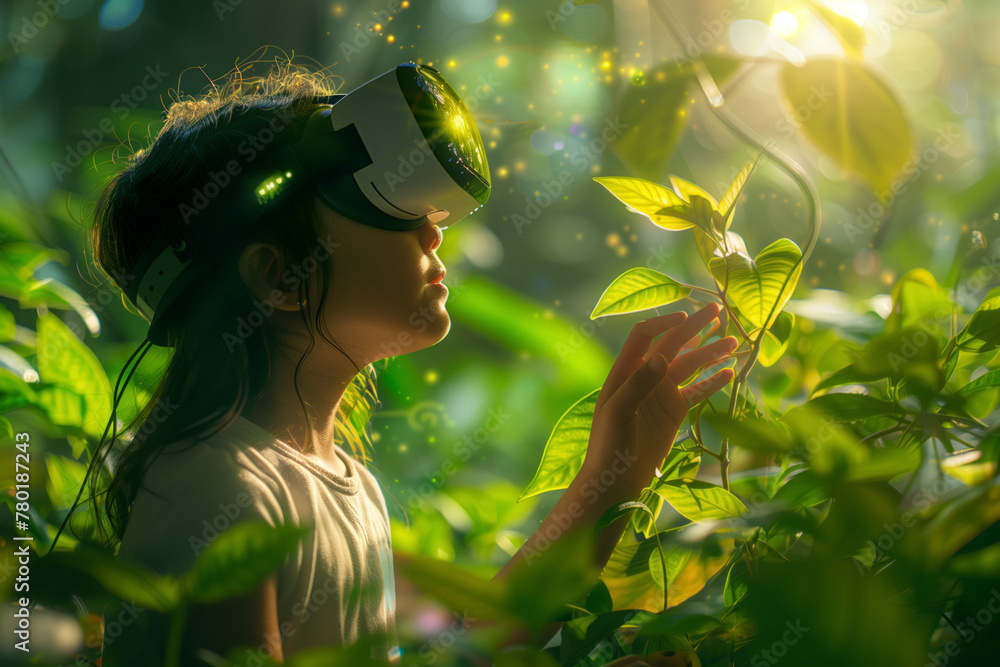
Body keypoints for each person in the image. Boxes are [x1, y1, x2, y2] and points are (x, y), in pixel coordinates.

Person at [84, 57, 737, 666]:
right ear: (279, 277)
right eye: (378, 199)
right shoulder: (216, 492)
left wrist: (614, 471)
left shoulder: (343, 484)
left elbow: (466, 646)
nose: (433, 230)